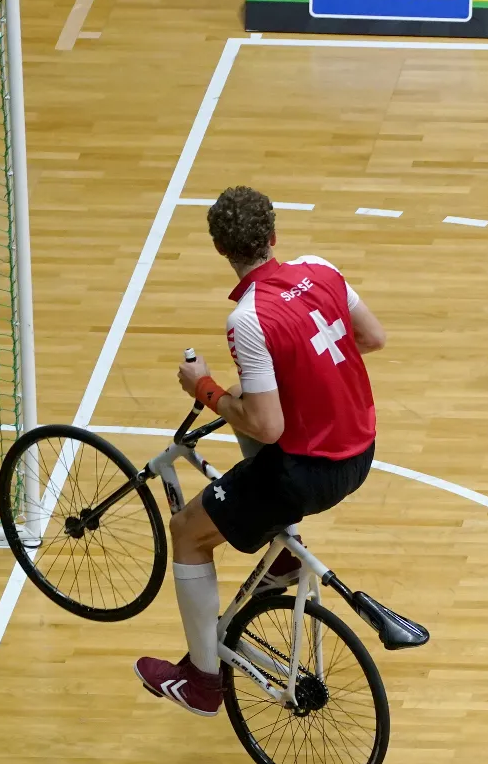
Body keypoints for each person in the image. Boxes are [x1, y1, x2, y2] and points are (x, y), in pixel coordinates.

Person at [135, 185, 387, 716]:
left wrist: (205, 388)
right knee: (252, 414)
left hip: (306, 472)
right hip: (361, 451)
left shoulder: (248, 320)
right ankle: (279, 561)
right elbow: (370, 337)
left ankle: (203, 684)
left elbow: (268, 428)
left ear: (222, 250)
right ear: (274, 235)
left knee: (187, 532)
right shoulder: (321, 269)